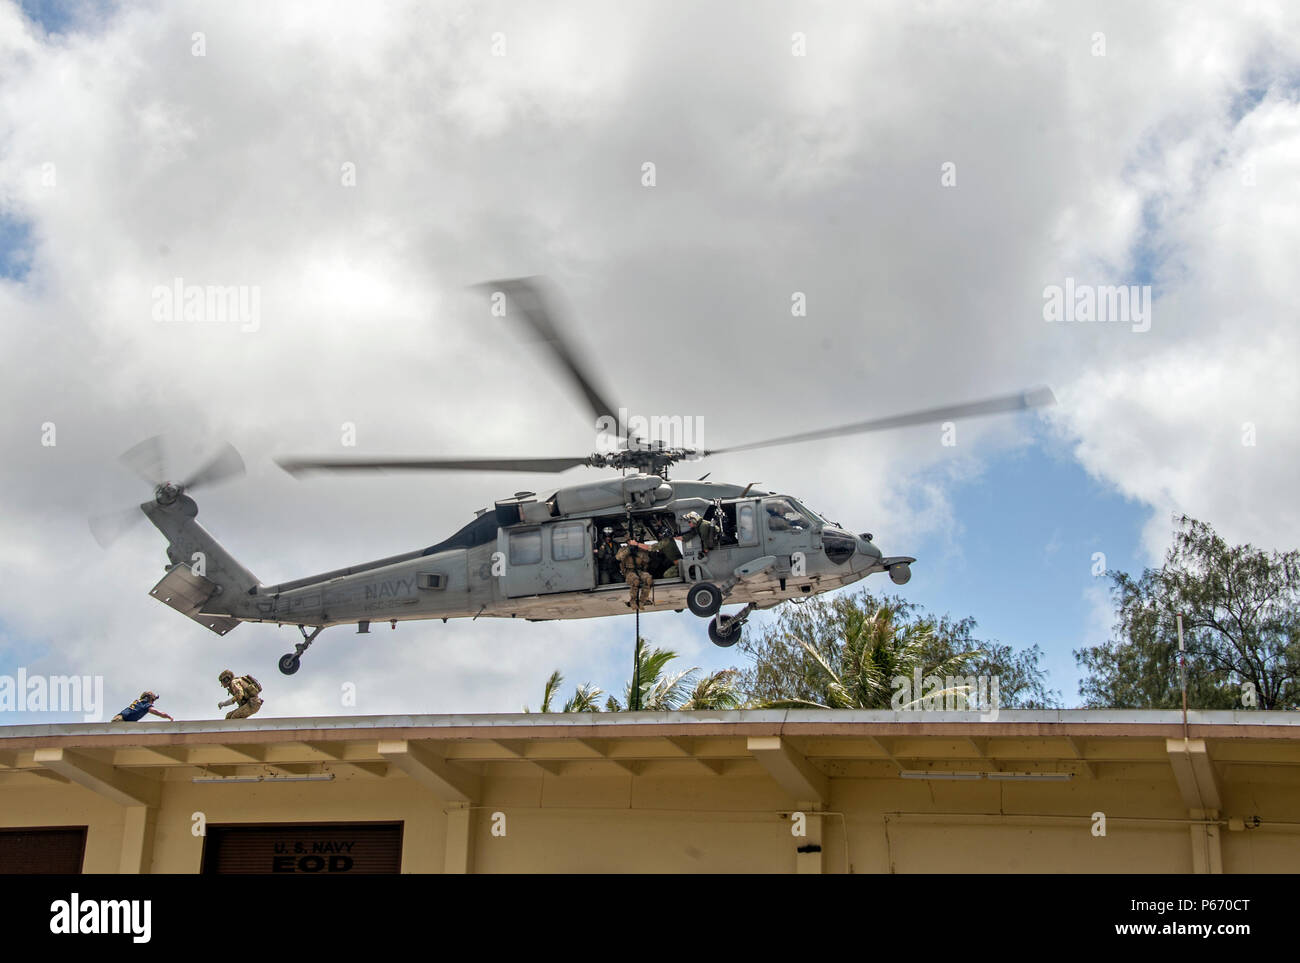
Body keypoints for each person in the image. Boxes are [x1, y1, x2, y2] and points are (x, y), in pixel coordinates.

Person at [616, 536, 655, 608]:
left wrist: (637, 553)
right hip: (629, 572)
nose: (631, 542)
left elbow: (647, 559)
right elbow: (618, 557)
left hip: (639, 570)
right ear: (627, 542)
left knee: (648, 579)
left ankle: (642, 601)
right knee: (635, 581)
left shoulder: (640, 549)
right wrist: (629, 551)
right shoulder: (623, 549)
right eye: (629, 541)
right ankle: (633, 600)